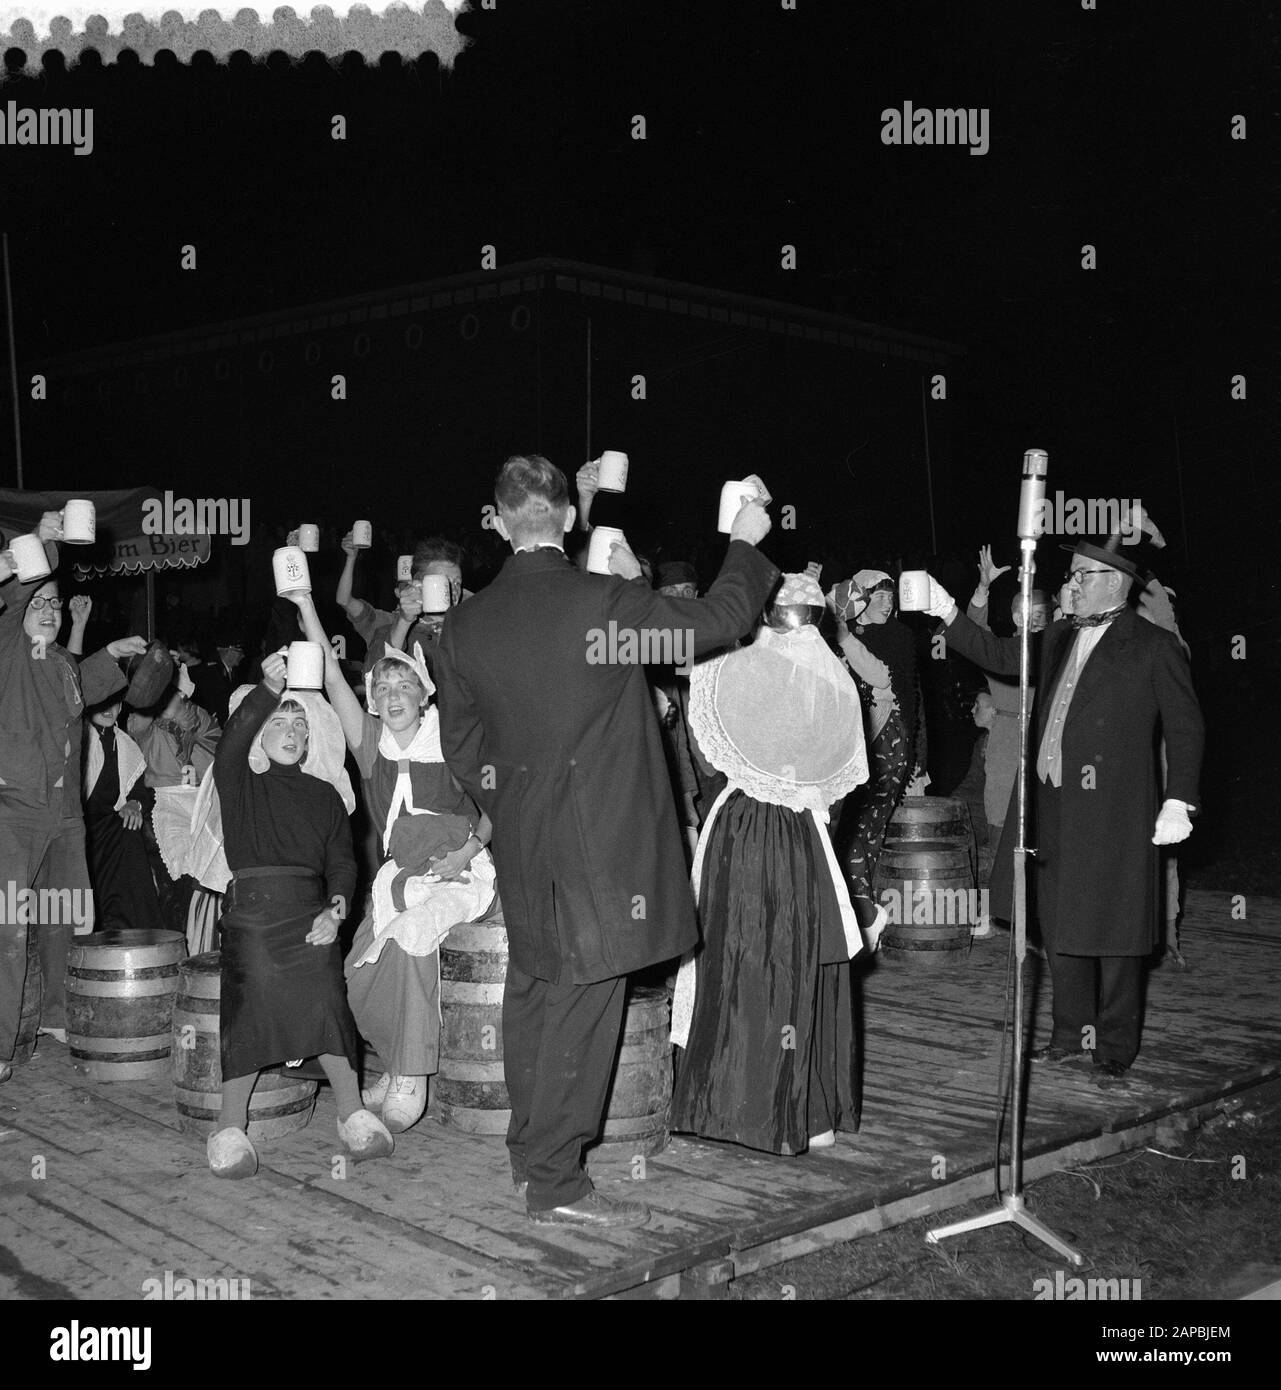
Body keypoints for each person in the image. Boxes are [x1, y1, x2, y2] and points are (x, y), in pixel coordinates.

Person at [434, 453, 778, 1228]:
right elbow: (719, 624)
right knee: (586, 1003)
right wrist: (747, 545)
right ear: (565, 518)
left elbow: (462, 747)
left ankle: (530, 1155)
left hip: (522, 840)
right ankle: (555, 1183)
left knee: (533, 990)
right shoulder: (606, 608)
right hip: (602, 849)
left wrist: (512, 800)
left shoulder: (462, 623)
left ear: (497, 521)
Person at [922, 509, 1204, 1081]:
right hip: (1051, 807)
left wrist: (1180, 799)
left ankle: (1115, 1046)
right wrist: (947, 611)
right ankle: (1070, 1034)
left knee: (1118, 930)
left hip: (1116, 813)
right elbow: (1002, 656)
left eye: (1080, 575)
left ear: (1113, 582)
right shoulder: (1057, 635)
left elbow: (1187, 726)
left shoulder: (1153, 647)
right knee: (1061, 921)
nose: (1069, 585)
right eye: (1071, 575)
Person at [670, 573, 869, 1155]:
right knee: (797, 959)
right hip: (805, 837)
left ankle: (735, 1106)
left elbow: (708, 752)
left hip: (745, 832)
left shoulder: (738, 670)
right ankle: (809, 1113)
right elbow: (837, 791)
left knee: (741, 958)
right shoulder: (838, 687)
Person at [286, 590, 496, 1135]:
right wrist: (304, 602)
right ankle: (390, 1061)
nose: (392, 692)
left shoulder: (451, 739)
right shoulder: (370, 743)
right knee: (355, 973)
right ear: (373, 702)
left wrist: (466, 854)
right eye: (382, 686)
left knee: (410, 937)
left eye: (404, 684)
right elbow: (331, 674)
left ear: (424, 696)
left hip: (459, 870)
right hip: (398, 880)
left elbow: (501, 802)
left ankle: (411, 1076)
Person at [206, 652, 393, 1177]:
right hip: (253, 916)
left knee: (327, 998)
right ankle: (228, 1128)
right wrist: (268, 687)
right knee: (252, 1001)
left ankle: (352, 1114)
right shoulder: (240, 783)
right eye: (277, 723)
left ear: (310, 742)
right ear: (259, 734)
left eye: (299, 726)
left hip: (311, 914)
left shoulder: (326, 796)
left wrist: (335, 911)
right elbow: (229, 746)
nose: (289, 733)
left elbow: (342, 865)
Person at [0, 514, 147, 1081]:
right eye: (39, 602)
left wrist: (112, 651)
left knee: (64, 919)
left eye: (55, 604)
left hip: (65, 817)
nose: (48, 609)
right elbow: (17, 596)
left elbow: (80, 689)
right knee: (10, 929)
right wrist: (49, 545)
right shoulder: (9, 648)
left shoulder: (59, 662)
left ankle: (60, 1018)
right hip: (14, 811)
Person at [826, 576, 901, 940]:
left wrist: (842, 635)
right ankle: (863, 917)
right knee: (853, 836)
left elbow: (881, 677)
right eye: (880, 596)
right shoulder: (840, 634)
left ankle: (864, 918)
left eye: (891, 596)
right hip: (850, 747)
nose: (888, 603)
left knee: (862, 835)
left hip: (882, 748)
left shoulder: (896, 636)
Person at [82, 697, 165, 934]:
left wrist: (134, 804)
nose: (108, 710)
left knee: (129, 834)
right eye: (102, 703)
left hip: (112, 825)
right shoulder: (78, 738)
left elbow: (140, 787)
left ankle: (136, 934)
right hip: (80, 824)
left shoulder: (124, 743)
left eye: (114, 704)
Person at [190, 628, 246, 727]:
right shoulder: (211, 672)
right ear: (228, 651)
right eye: (239, 651)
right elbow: (211, 704)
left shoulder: (232, 671)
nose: (243, 656)